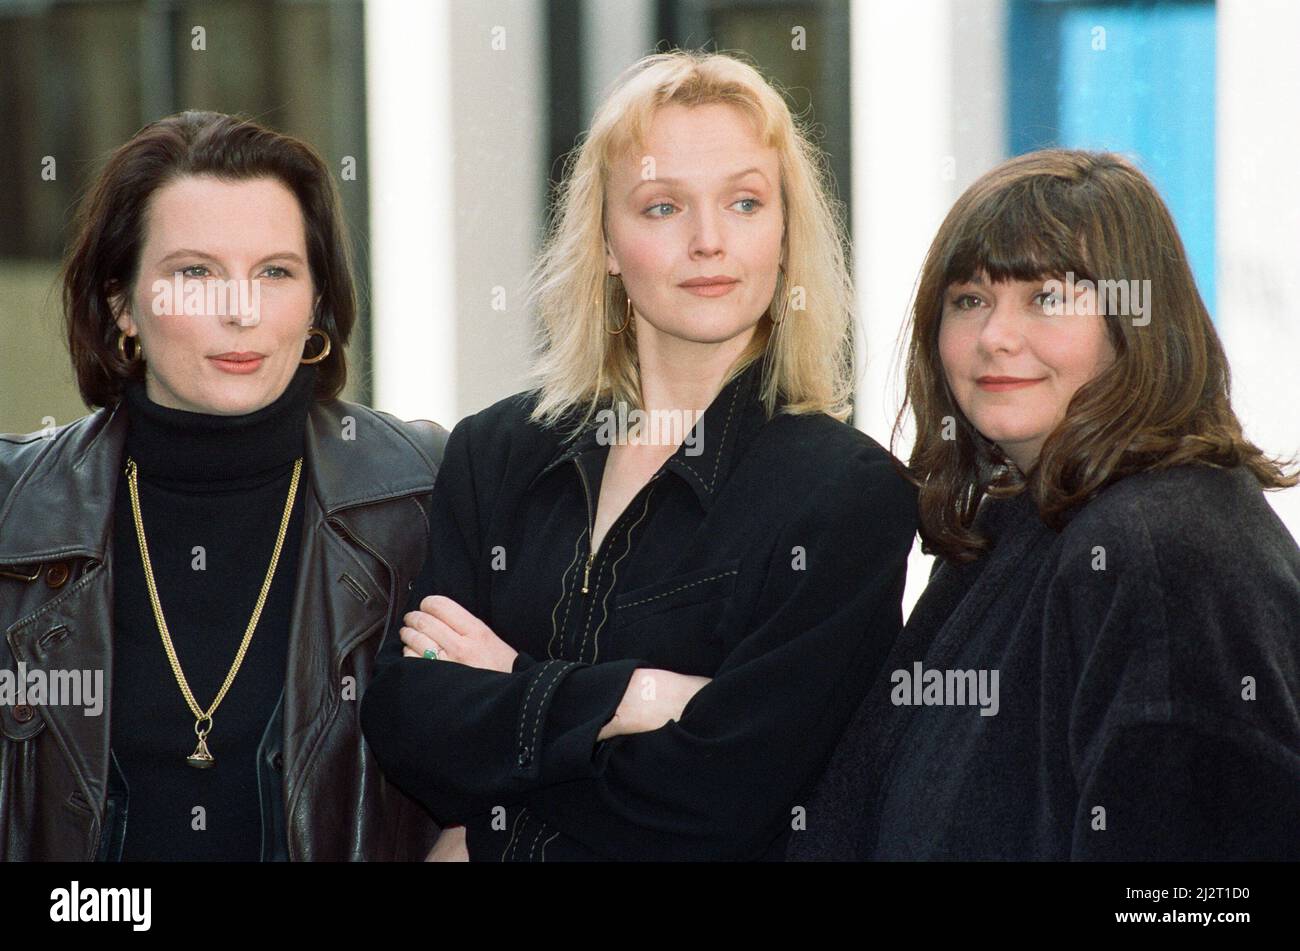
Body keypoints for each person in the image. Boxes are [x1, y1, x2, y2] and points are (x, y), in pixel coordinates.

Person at [360, 50, 918, 861]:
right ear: (607, 243)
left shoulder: (849, 496)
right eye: (663, 207)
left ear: (785, 233)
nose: (709, 241)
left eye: (745, 202)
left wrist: (511, 690)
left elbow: (724, 798)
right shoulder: (496, 452)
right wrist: (643, 696)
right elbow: (409, 726)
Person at [788, 148, 1300, 861]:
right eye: (969, 299)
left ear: (1138, 324)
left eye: (1048, 298)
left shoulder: (1162, 547)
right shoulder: (1014, 522)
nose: (995, 337)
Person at [0, 111, 446, 861]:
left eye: (275, 272)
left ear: (316, 302)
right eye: (195, 273)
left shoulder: (423, 494)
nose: (241, 311)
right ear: (121, 305)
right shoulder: (16, 514)